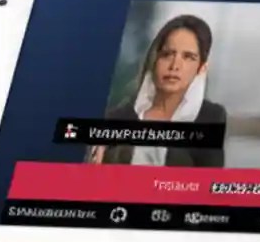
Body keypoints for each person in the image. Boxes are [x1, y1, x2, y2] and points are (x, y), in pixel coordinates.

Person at [91, 14, 226, 167]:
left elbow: (208, 184)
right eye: (167, 54)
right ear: (154, 59)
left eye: (188, 57)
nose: (175, 66)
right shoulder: (118, 117)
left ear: (201, 68)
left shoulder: (210, 117)